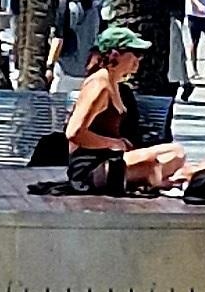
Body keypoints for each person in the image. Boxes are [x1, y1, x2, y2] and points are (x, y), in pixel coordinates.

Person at [60, 22, 183, 192]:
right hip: (92, 168)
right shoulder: (100, 84)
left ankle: (152, 179)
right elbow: (74, 133)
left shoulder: (114, 83)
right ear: (116, 54)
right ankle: (152, 179)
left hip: (109, 160)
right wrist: (114, 143)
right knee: (171, 157)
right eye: (135, 53)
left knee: (176, 156)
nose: (139, 59)